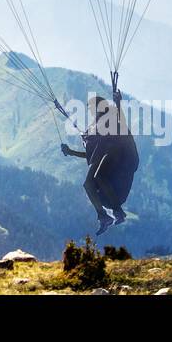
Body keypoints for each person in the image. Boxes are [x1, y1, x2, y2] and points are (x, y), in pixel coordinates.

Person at [61, 94, 139, 236]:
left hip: (118, 156)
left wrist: (118, 103)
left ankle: (118, 211)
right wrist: (71, 152)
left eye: (91, 108)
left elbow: (121, 123)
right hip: (105, 158)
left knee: (99, 176)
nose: (90, 112)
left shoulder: (111, 118)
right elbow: (92, 154)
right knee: (88, 184)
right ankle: (103, 216)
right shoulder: (94, 127)